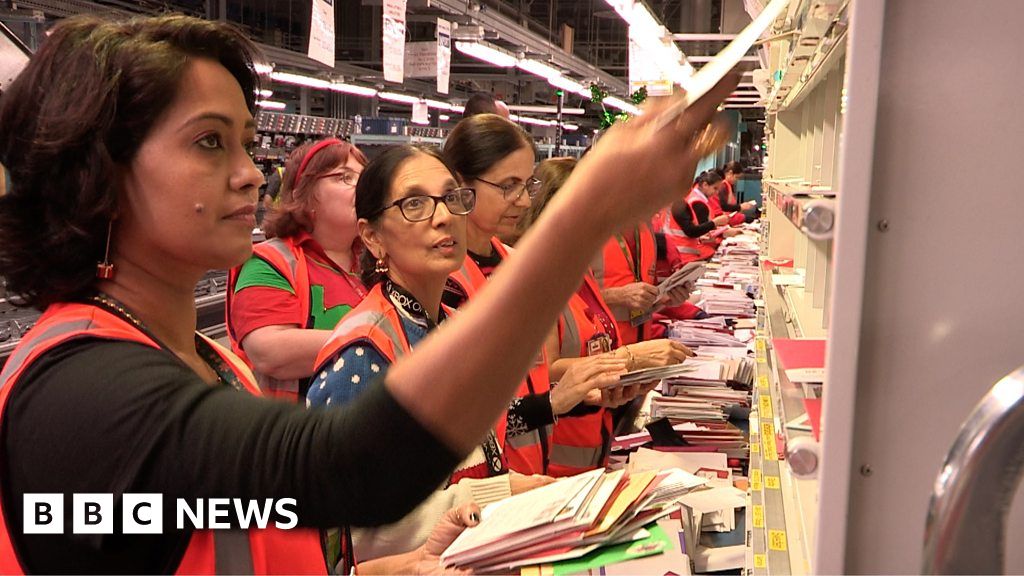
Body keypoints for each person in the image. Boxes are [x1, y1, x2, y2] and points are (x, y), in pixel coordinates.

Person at [0, 12, 737, 573]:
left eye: (248, 143)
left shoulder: (198, 360)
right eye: (208, 142)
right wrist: (584, 215)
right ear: (99, 172)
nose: (253, 175)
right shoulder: (82, 392)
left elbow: (253, 522)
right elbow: (352, 468)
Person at [306, 145, 621, 562]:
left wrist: (554, 406)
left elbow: (477, 438)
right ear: (372, 236)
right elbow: (353, 531)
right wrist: (498, 493)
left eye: (451, 198)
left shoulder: (451, 322)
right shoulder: (362, 353)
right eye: (415, 203)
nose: (443, 216)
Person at [524, 157, 694, 475]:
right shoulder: (537, 278)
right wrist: (630, 359)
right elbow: (545, 370)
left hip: (592, 451)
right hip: (555, 462)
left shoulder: (580, 272)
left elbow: (594, 343)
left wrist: (628, 378)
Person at [226, 138, 368, 402]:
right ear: (305, 192)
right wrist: (379, 339)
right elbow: (270, 352)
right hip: (295, 435)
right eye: (344, 178)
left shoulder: (375, 262)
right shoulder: (270, 261)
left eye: (364, 177)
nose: (361, 187)